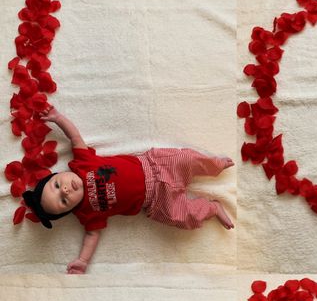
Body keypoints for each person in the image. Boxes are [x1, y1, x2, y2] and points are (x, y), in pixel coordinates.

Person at [22, 107, 234, 273]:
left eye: (57, 185)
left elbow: (74, 138)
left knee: (187, 158)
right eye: (63, 201)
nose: (66, 191)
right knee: (182, 217)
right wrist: (82, 261)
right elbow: (91, 235)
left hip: (154, 166)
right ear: (70, 210)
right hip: (155, 200)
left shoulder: (81, 163)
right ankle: (212, 209)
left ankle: (214, 165)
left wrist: (58, 118)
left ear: (57, 174)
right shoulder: (87, 213)